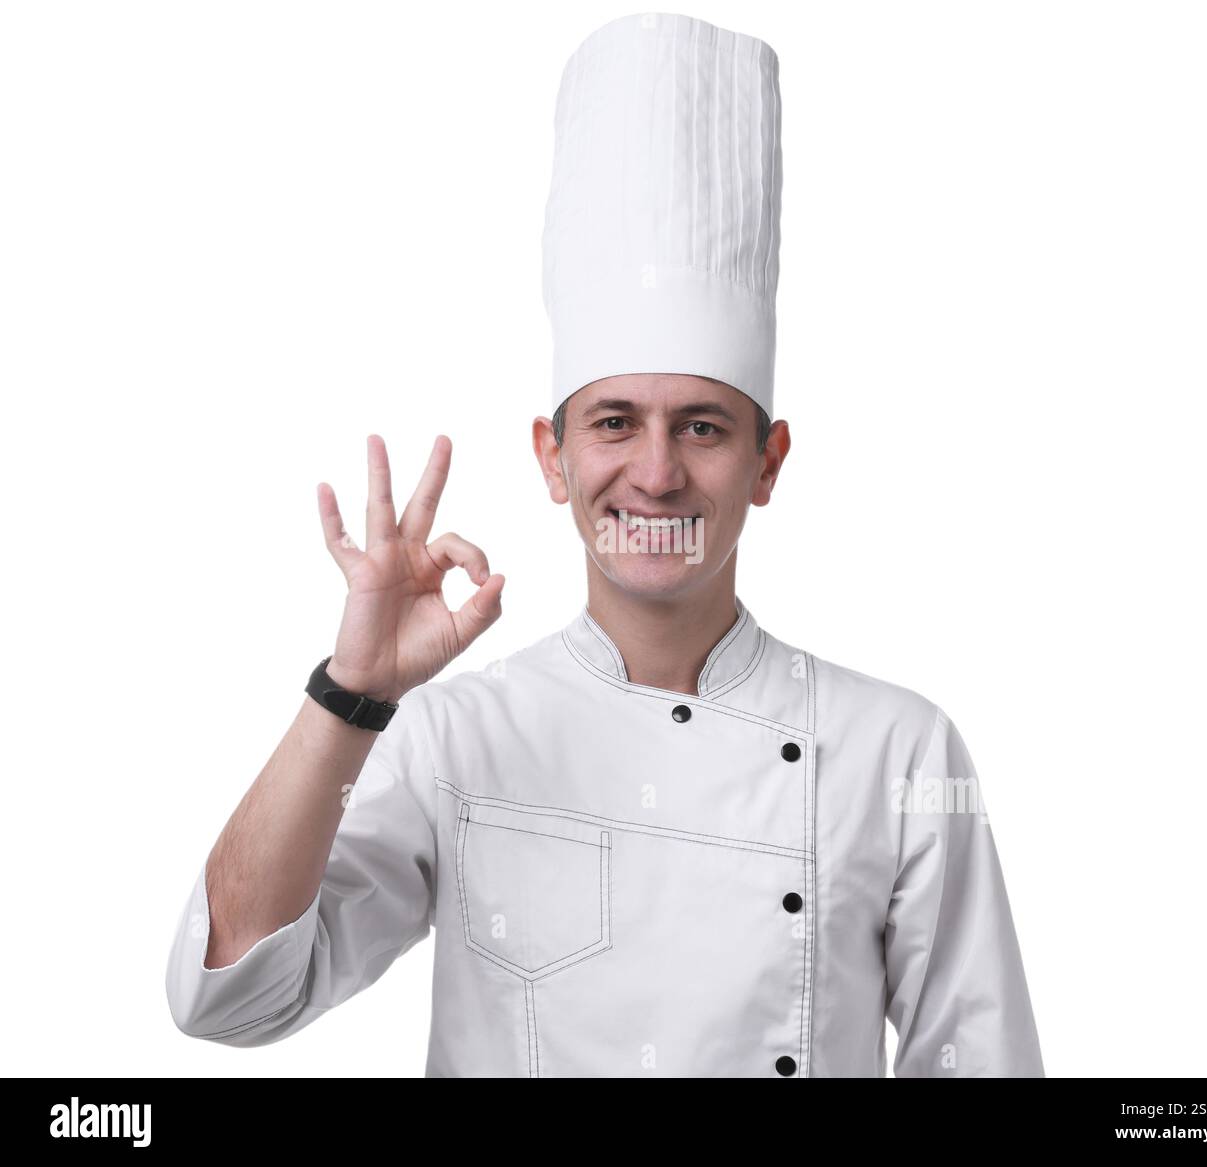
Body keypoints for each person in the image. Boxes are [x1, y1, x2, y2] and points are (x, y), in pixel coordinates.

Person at [165, 11, 1044, 1078]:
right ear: (553, 458)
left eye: (704, 427)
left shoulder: (905, 751)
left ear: (768, 463)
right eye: (615, 422)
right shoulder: (454, 740)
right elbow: (230, 996)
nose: (658, 471)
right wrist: (351, 689)